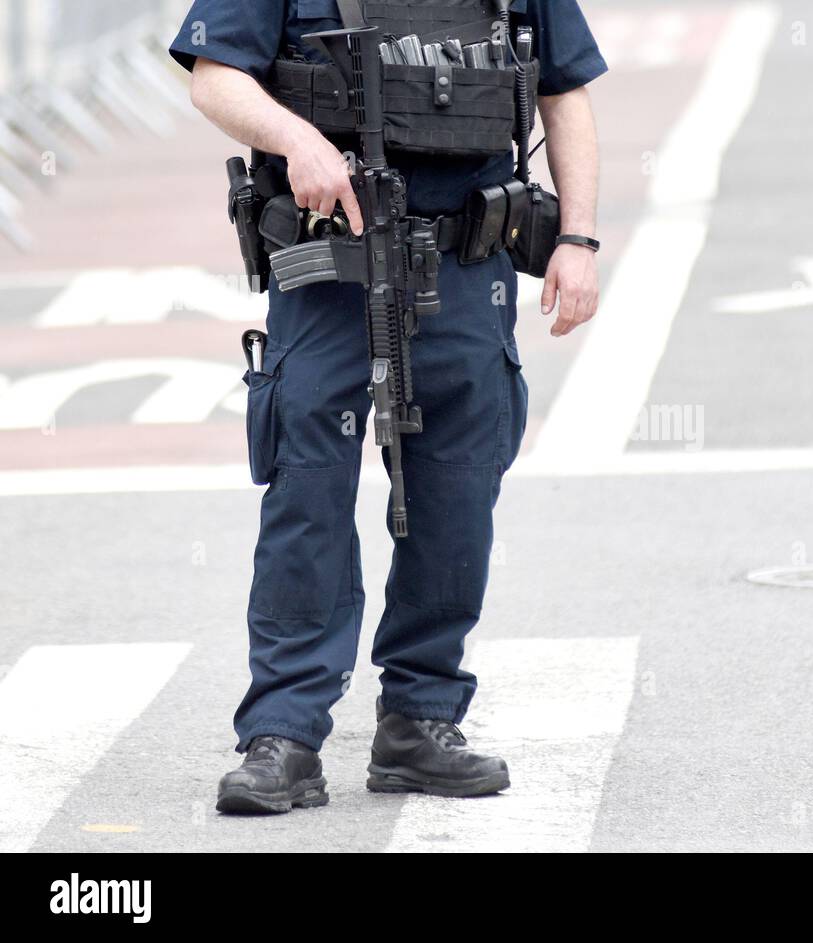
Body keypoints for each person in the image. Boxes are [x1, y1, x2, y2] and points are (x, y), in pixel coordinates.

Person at [168, 0, 606, 813]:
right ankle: (286, 733)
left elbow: (565, 84)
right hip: (330, 254)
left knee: (459, 489)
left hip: (469, 264)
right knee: (308, 487)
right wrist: (297, 139)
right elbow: (215, 74)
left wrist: (577, 238)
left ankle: (419, 717)